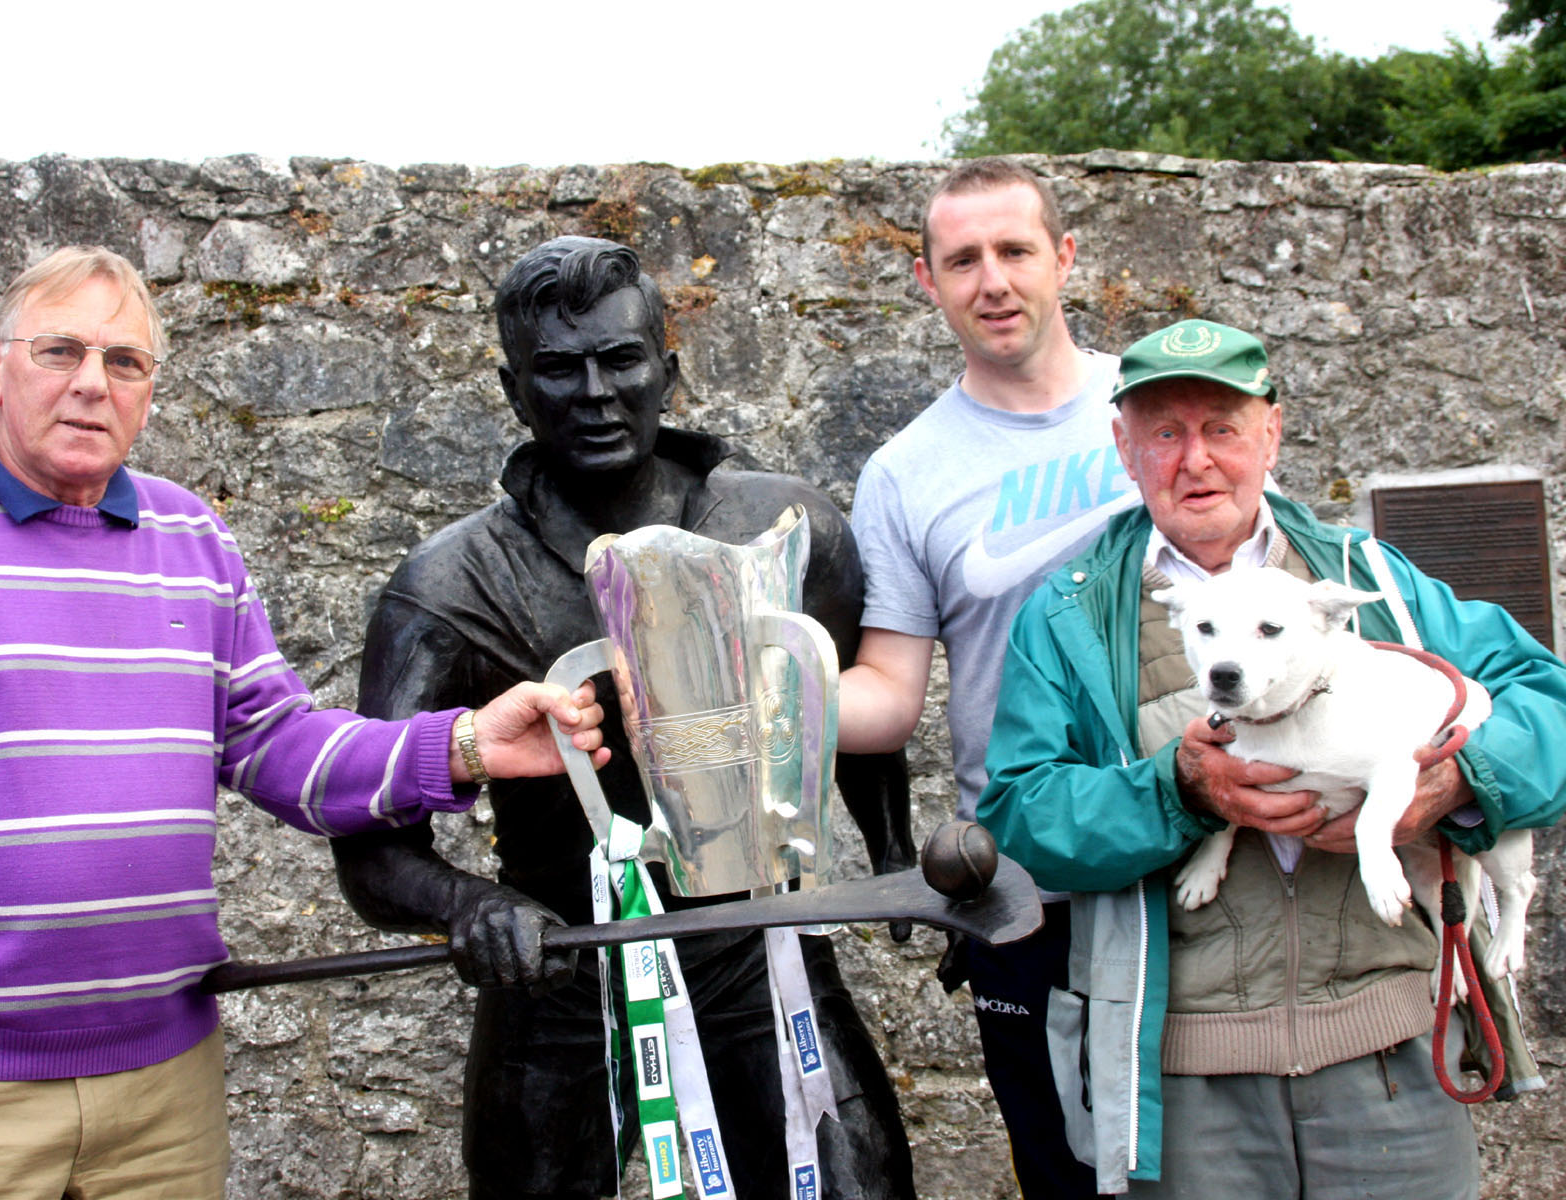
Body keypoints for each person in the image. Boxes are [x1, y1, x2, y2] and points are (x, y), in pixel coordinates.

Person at [0, 246, 608, 1200]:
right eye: (61, 352)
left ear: (149, 391)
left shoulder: (190, 540)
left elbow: (273, 743)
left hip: (163, 1094)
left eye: (125, 363)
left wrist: (464, 744)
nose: (92, 384)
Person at [331, 236, 916, 1199]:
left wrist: (893, 854)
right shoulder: (447, 587)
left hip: (759, 952)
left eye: (621, 360)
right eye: (559, 370)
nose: (596, 393)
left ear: (668, 372)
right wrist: (467, 906)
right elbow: (368, 840)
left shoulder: (791, 528)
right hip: (556, 971)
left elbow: (837, 690)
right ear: (515, 392)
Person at [977, 318, 1566, 1196]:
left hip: (1393, 1062)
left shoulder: (1375, 583)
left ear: (1271, 433)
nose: (1195, 460)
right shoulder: (1068, 619)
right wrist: (1179, 787)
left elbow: (1548, 708)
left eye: (1221, 427)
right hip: (1188, 1087)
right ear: (1123, 446)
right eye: (1165, 432)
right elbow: (1023, 818)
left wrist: (1452, 783)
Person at [839, 157, 1134, 1197]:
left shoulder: (1163, 405)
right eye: (962, 260)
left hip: (1204, 858)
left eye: (1014, 250)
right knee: (1067, 1177)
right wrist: (748, 699)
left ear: (1064, 258)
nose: (993, 280)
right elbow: (887, 695)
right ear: (929, 282)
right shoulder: (905, 475)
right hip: (1030, 893)